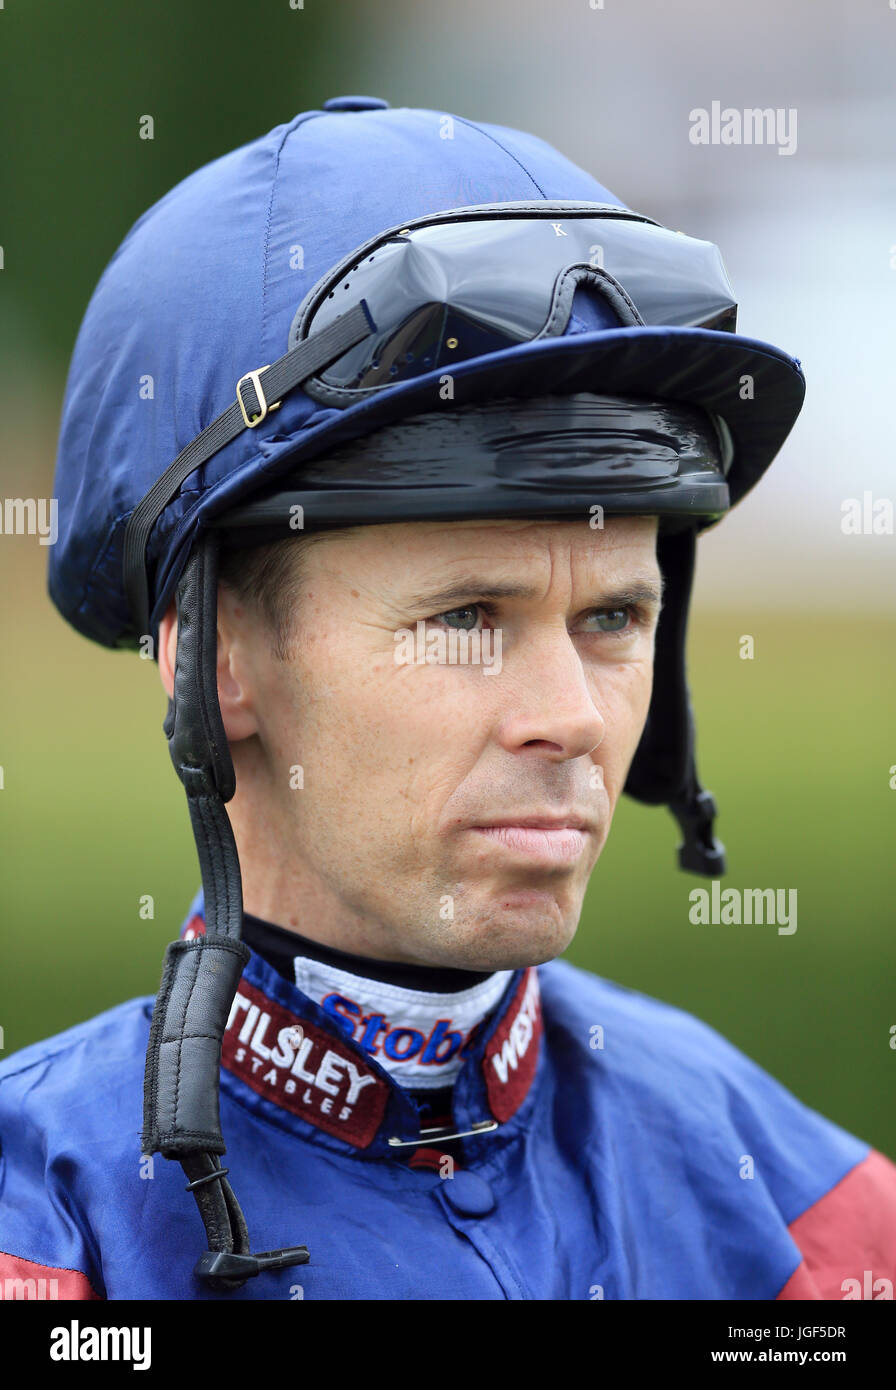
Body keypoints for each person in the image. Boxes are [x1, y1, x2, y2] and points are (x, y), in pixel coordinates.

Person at [1, 97, 894, 1302]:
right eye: (465, 618)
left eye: (612, 618)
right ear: (213, 661)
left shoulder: (811, 1220)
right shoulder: (49, 1236)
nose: (570, 718)